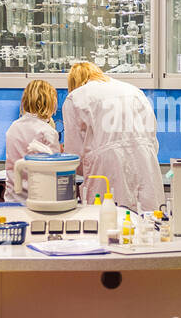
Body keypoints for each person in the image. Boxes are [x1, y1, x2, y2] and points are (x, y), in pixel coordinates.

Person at [62, 61, 164, 211]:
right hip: (145, 166)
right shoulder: (134, 91)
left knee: (108, 224)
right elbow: (152, 140)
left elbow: (73, 156)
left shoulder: (76, 97)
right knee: (147, 227)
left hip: (105, 172)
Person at [4, 79, 62, 203]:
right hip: (40, 200)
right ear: (50, 102)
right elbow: (57, 170)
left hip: (13, 198)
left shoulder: (13, 127)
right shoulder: (47, 131)